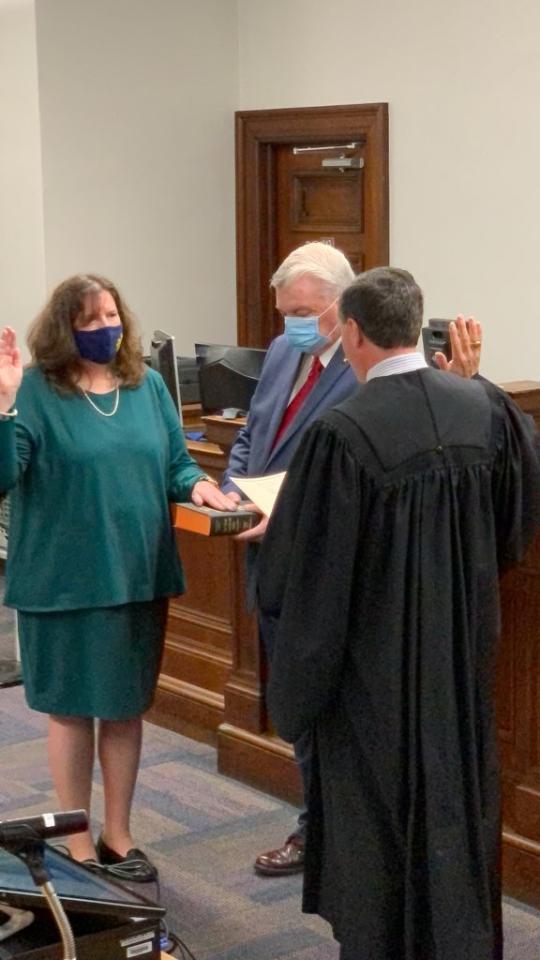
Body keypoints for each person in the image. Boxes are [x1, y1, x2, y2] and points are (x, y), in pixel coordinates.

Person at [257, 267, 540, 959]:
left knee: (376, 841)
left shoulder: (342, 433)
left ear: (351, 333)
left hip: (371, 686)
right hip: (460, 665)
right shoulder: (486, 408)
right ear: (417, 326)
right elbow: (515, 525)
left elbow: (309, 583)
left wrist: (297, 694)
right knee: (457, 812)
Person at [222, 242, 482, 877]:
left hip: (332, 574)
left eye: (306, 312)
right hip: (271, 559)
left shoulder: (373, 378)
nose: (292, 325)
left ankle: (331, 838)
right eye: (285, 312)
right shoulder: (286, 352)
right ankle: (319, 826)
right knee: (304, 716)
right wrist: (233, 488)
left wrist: (462, 385)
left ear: (347, 316)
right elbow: (255, 434)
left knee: (339, 718)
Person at [0, 274, 236, 882]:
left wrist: (200, 486)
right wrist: (1, 406)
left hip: (138, 574)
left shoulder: (148, 387)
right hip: (64, 583)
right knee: (74, 712)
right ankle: (76, 841)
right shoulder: (35, 392)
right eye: (90, 320)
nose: (107, 328)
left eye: (112, 316)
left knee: (126, 709)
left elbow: (176, 463)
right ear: (64, 330)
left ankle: (119, 835)